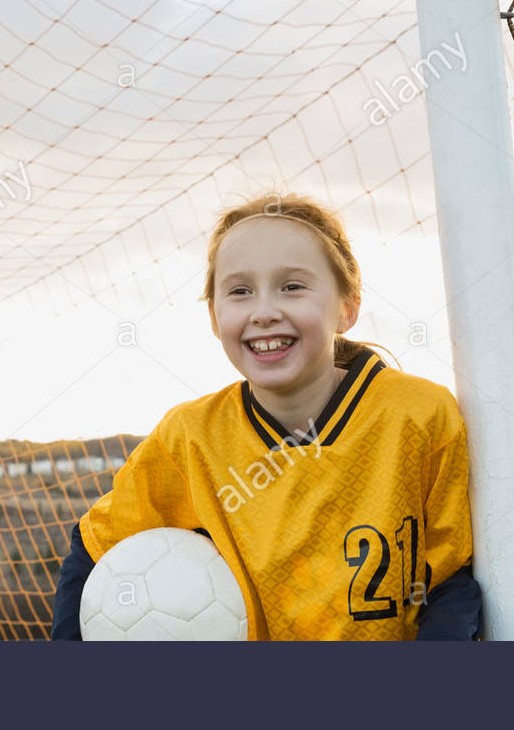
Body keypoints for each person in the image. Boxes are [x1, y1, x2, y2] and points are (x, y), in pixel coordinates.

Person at [50, 191, 483, 640]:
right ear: (215, 318)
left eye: (292, 286)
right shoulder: (189, 438)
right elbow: (95, 545)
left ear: (348, 306)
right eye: (240, 291)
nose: (263, 312)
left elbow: (452, 579)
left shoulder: (419, 414)